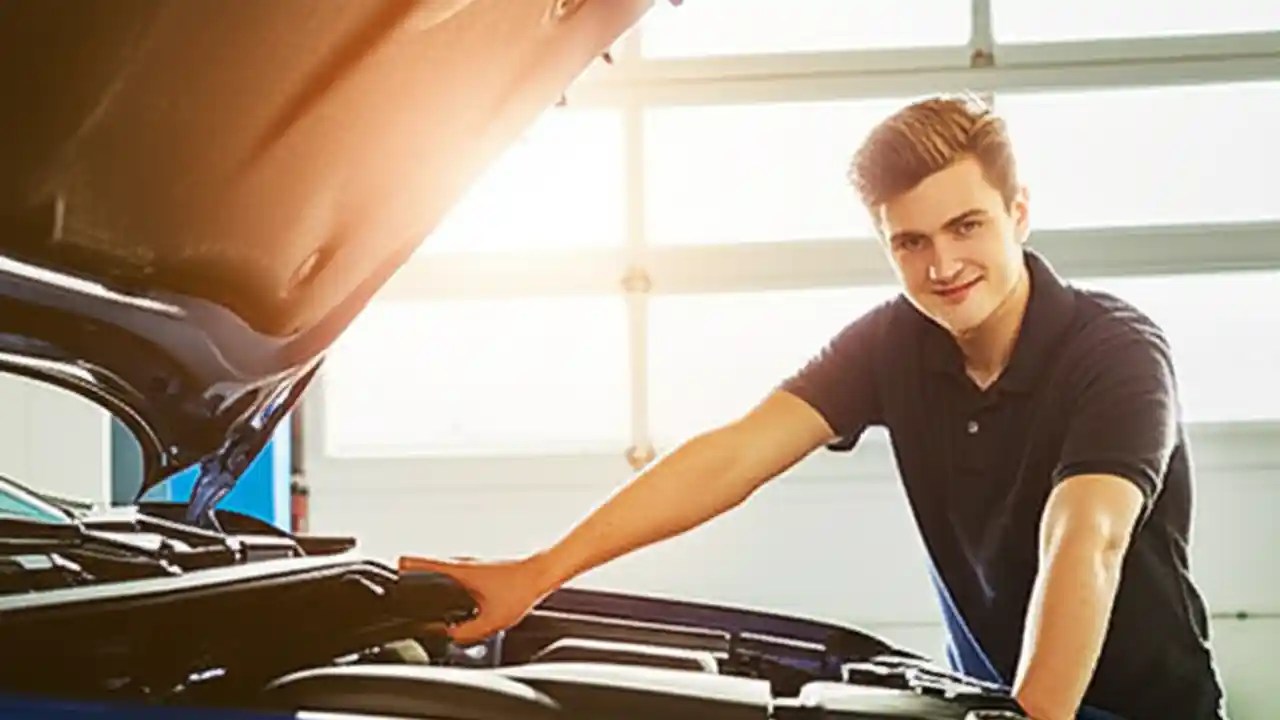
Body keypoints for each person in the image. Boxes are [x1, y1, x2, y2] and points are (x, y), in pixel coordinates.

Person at [399, 93, 1227, 720]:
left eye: (967, 226)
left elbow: (1086, 538)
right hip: (993, 705)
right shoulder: (893, 343)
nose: (942, 266)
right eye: (910, 242)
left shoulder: (1115, 352)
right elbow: (733, 456)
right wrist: (538, 573)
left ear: (1019, 214)